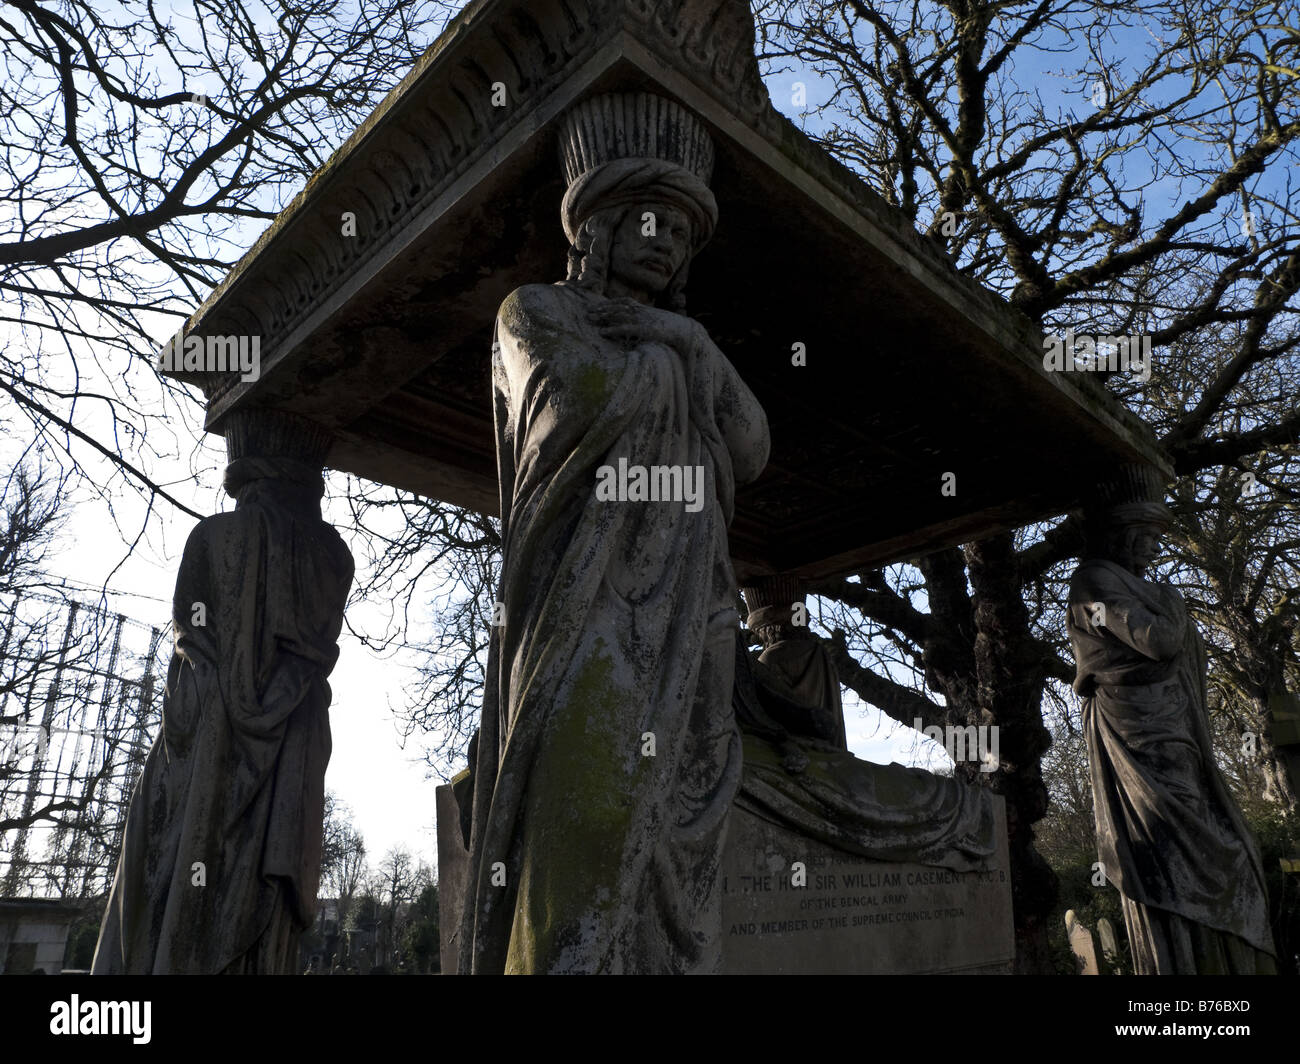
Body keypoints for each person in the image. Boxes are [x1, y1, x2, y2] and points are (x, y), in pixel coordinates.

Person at [457, 93, 770, 974]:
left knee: (686, 806)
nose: (665, 238)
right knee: (586, 813)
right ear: (591, 225)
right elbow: (576, 401)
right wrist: (668, 363)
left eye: (680, 228)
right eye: (645, 216)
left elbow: (750, 449)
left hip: (694, 608)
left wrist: (689, 346)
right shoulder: (535, 312)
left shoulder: (685, 340)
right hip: (583, 605)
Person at [1066, 466, 1276, 974]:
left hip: (1173, 730)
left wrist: (1170, 613)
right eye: (1146, 537)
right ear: (1121, 532)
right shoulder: (1093, 581)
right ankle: (1182, 965)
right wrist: (1175, 607)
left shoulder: (1135, 584)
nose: (1154, 551)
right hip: (1138, 738)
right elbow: (1155, 640)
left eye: (1158, 539)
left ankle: (1219, 960)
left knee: (1220, 849)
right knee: (1165, 852)